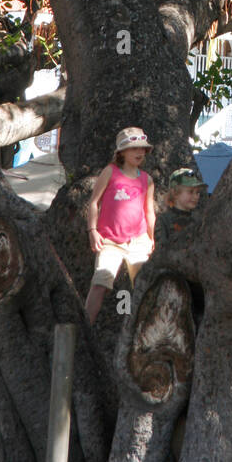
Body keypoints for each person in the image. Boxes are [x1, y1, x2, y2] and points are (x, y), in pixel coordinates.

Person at [84, 127, 156, 325]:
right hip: (110, 240)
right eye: (134, 149)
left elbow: (149, 211)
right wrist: (92, 231)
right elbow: (93, 202)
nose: (139, 152)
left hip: (138, 240)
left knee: (145, 285)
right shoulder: (110, 172)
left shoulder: (146, 179)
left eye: (142, 148)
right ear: (121, 152)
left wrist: (152, 238)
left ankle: (145, 329)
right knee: (100, 282)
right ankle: (85, 329)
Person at [154, 167, 205, 250]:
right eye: (190, 192)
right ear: (175, 193)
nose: (196, 196)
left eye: (197, 192)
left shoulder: (198, 219)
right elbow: (160, 251)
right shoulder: (164, 220)